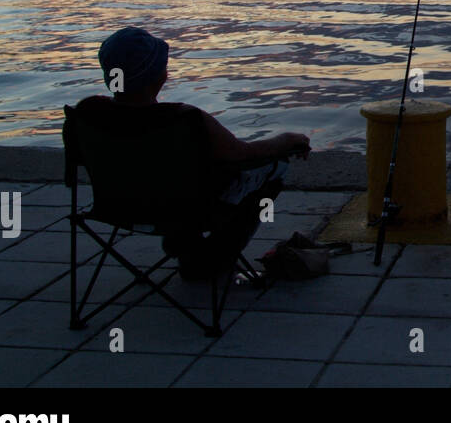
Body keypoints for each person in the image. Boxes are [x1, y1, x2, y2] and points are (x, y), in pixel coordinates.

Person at [85, 26, 311, 278]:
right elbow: (244, 155)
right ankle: (213, 258)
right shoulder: (185, 120)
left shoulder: (87, 116)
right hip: (188, 211)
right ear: (159, 76)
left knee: (169, 182)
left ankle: (185, 245)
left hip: (117, 208)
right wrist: (288, 140)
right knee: (276, 168)